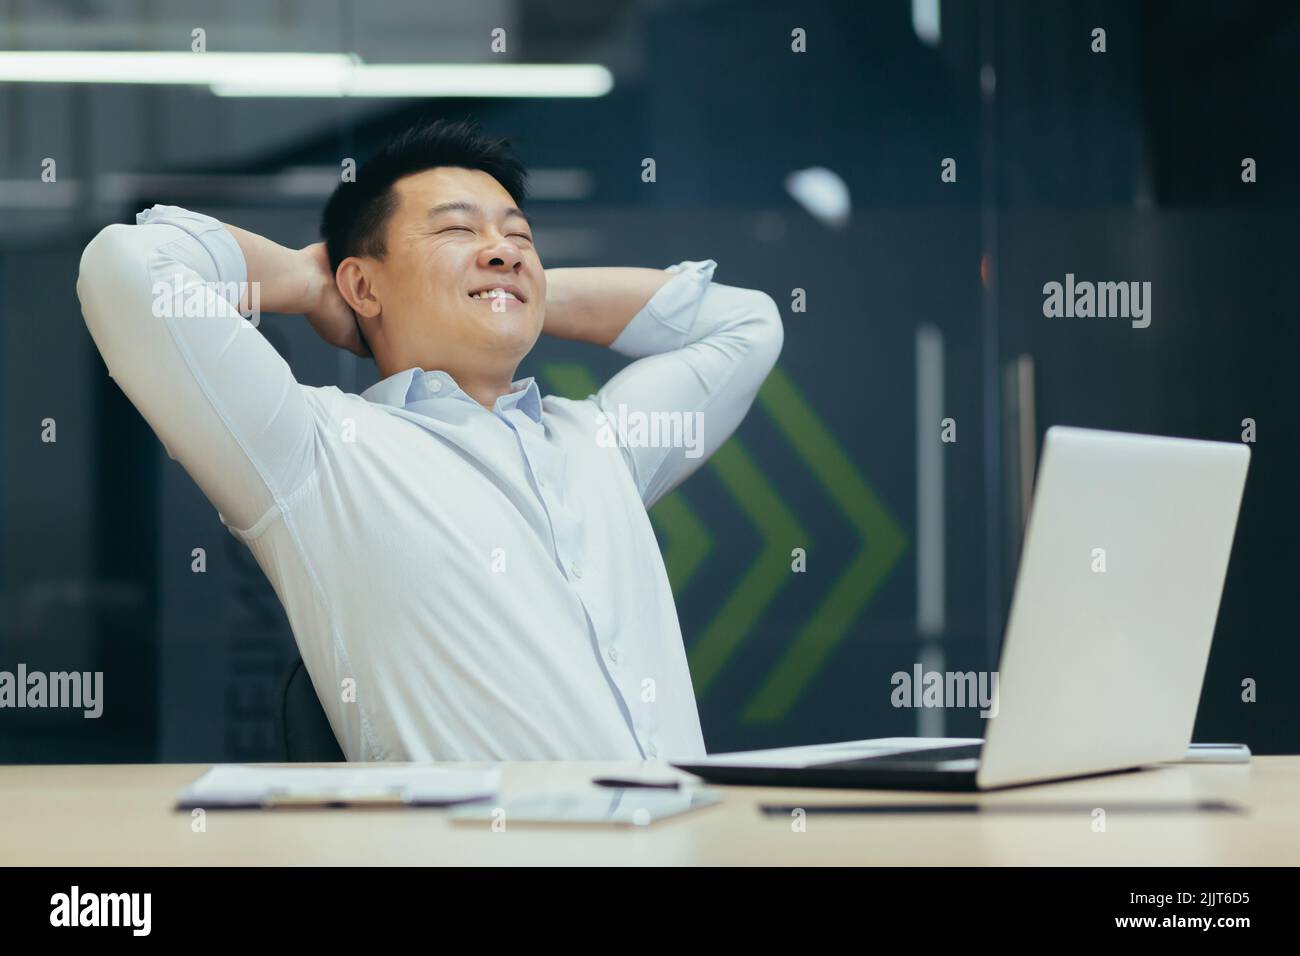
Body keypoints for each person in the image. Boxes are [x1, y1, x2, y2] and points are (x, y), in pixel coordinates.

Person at [76, 118, 783, 761]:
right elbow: (128, 270)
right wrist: (306, 279)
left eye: (519, 235)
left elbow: (746, 325)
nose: (503, 250)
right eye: (455, 231)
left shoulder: (602, 441)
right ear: (361, 283)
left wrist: (514, 289)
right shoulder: (314, 451)